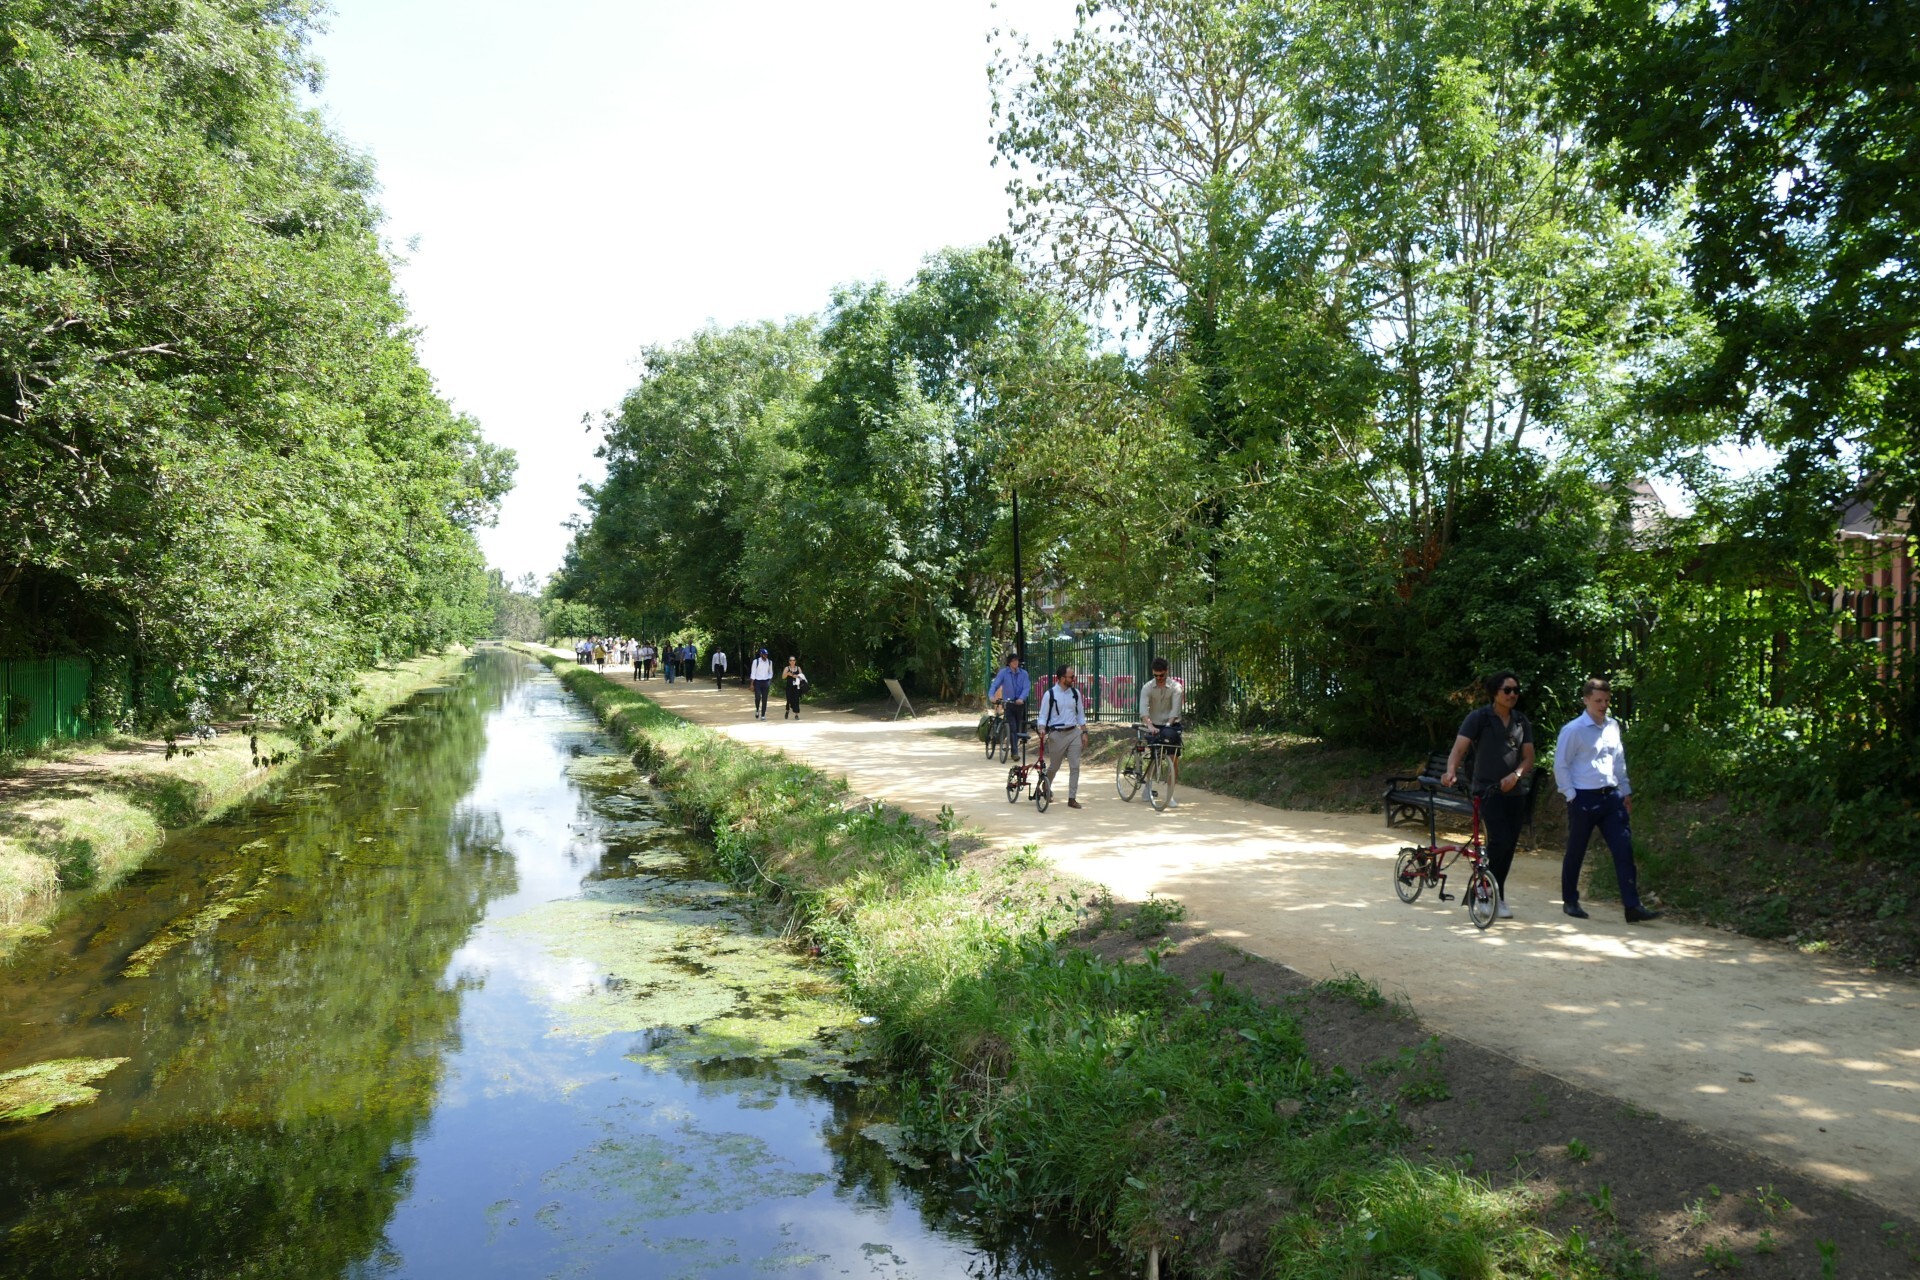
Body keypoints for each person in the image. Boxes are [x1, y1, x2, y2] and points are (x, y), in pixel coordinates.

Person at [1555, 677, 1660, 923]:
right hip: (1584, 797)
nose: (1603, 705)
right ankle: (1570, 900)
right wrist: (1571, 795)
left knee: (1624, 849)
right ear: (1586, 700)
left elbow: (1619, 761)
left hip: (1611, 798)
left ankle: (1632, 906)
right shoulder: (1573, 730)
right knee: (1576, 850)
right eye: (1598, 700)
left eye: (1606, 701)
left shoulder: (1613, 726)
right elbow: (1561, 764)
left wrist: (1626, 791)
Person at [1442, 671, 1535, 918]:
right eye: (1507, 690)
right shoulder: (1479, 718)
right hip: (1486, 790)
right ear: (1495, 693)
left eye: (1516, 690)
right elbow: (1458, 749)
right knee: (1499, 840)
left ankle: (1496, 894)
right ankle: (1483, 893)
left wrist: (1515, 776)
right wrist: (1451, 771)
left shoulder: (1521, 722)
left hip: (1515, 793)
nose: (1513, 694)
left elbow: (1528, 758)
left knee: (1509, 846)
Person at [1035, 664, 1089, 809]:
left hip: (1073, 733)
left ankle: (1072, 798)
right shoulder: (1050, 694)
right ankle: (1046, 786)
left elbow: (1080, 715)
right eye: (1071, 677)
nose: (1073, 679)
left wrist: (1084, 732)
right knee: (1054, 766)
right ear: (1061, 678)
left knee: (1075, 766)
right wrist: (1041, 728)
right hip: (1057, 734)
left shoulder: (1075, 693)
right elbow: (1043, 715)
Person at [1138, 656, 1185, 808]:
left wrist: (1168, 725)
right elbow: (1144, 710)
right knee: (1155, 757)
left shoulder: (1176, 687)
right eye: (1155, 675)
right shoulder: (1147, 687)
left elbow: (1175, 710)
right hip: (1154, 724)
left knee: (1173, 759)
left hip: (1171, 725)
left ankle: (1169, 795)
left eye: (1161, 675)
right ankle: (1148, 787)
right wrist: (1150, 726)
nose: (1159, 678)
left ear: (1167, 672)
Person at [986, 650, 1031, 753]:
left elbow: (1026, 688)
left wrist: (1021, 698)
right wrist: (991, 696)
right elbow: (995, 685)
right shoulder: (1003, 673)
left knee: (1017, 726)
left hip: (1019, 704)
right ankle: (1014, 752)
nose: (1016, 663)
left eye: (1017, 661)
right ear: (1009, 663)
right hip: (1008, 703)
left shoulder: (1024, 674)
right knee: (1013, 726)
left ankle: (1013, 744)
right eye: (1013, 661)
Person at [749, 648, 774, 720]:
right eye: (764, 654)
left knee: (765, 699)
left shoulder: (769, 662)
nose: (766, 656)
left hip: (765, 681)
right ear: (761, 654)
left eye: (766, 654)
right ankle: (757, 709)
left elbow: (770, 672)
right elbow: (753, 673)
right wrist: (751, 684)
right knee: (757, 697)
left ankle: (763, 715)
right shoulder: (756, 661)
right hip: (757, 681)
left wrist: (769, 680)